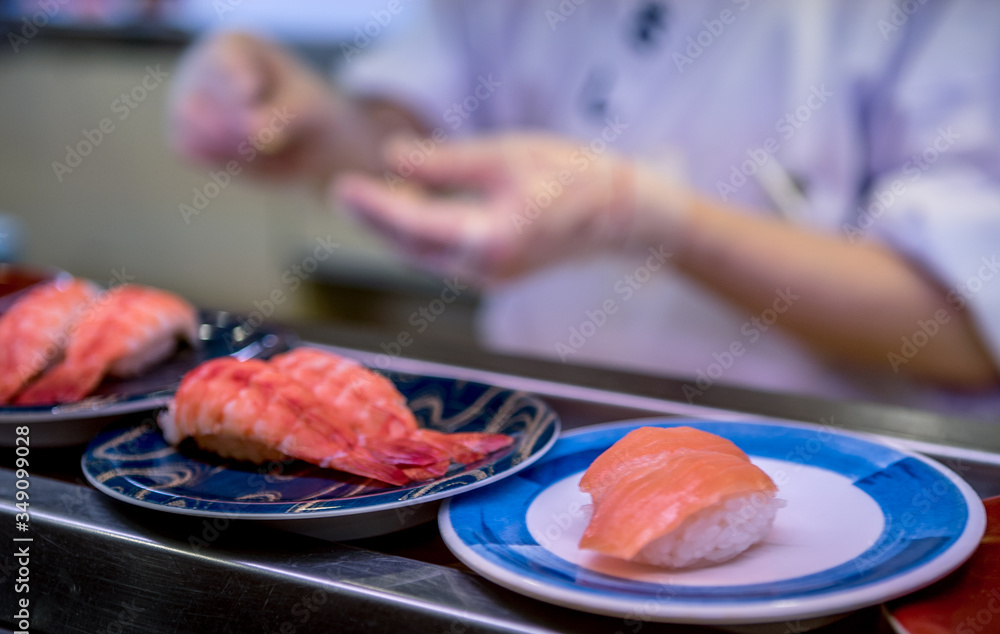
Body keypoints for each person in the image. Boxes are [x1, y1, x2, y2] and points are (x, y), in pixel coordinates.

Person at [168, 0, 1000, 413]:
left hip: (833, 479)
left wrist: (653, 218)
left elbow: (970, 329)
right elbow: (414, 140)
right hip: (532, 441)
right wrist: (308, 124)